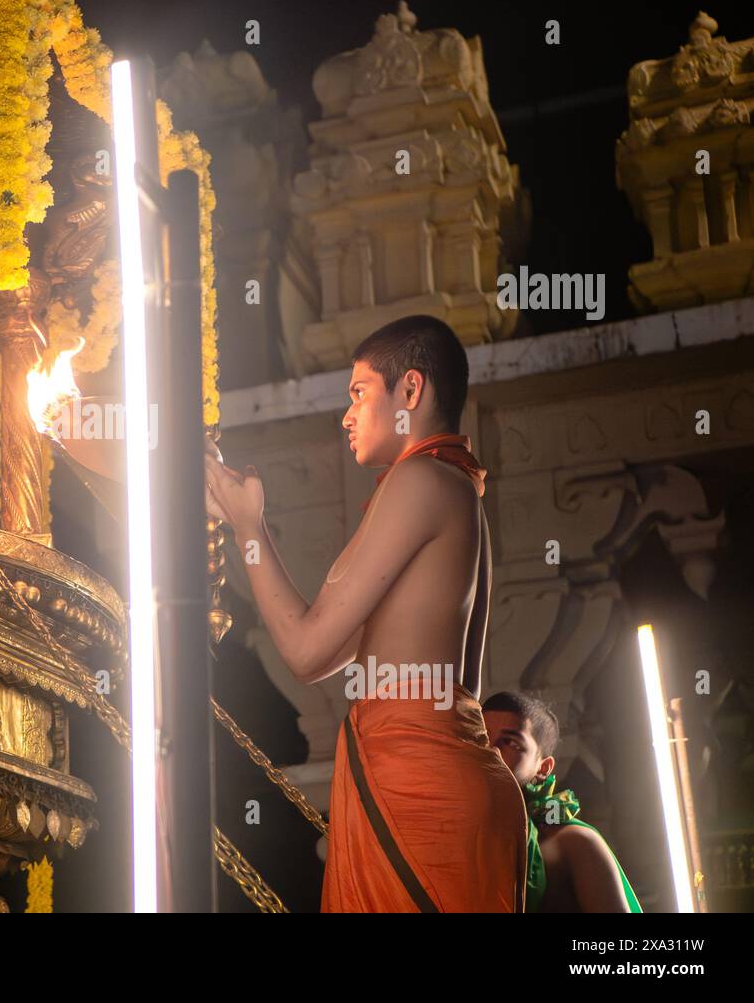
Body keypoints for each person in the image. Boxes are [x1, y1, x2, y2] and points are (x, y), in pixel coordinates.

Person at [205, 314, 526, 912]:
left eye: (359, 393)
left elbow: (304, 651)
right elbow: (323, 647)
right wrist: (240, 524)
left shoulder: (420, 480)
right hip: (440, 776)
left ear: (410, 390)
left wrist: (250, 525)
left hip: (418, 789)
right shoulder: (452, 489)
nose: (347, 415)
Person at [482, 691, 642, 913]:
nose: (490, 751)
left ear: (543, 768)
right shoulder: (450, 830)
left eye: (510, 742)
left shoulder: (573, 843)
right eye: (480, 738)